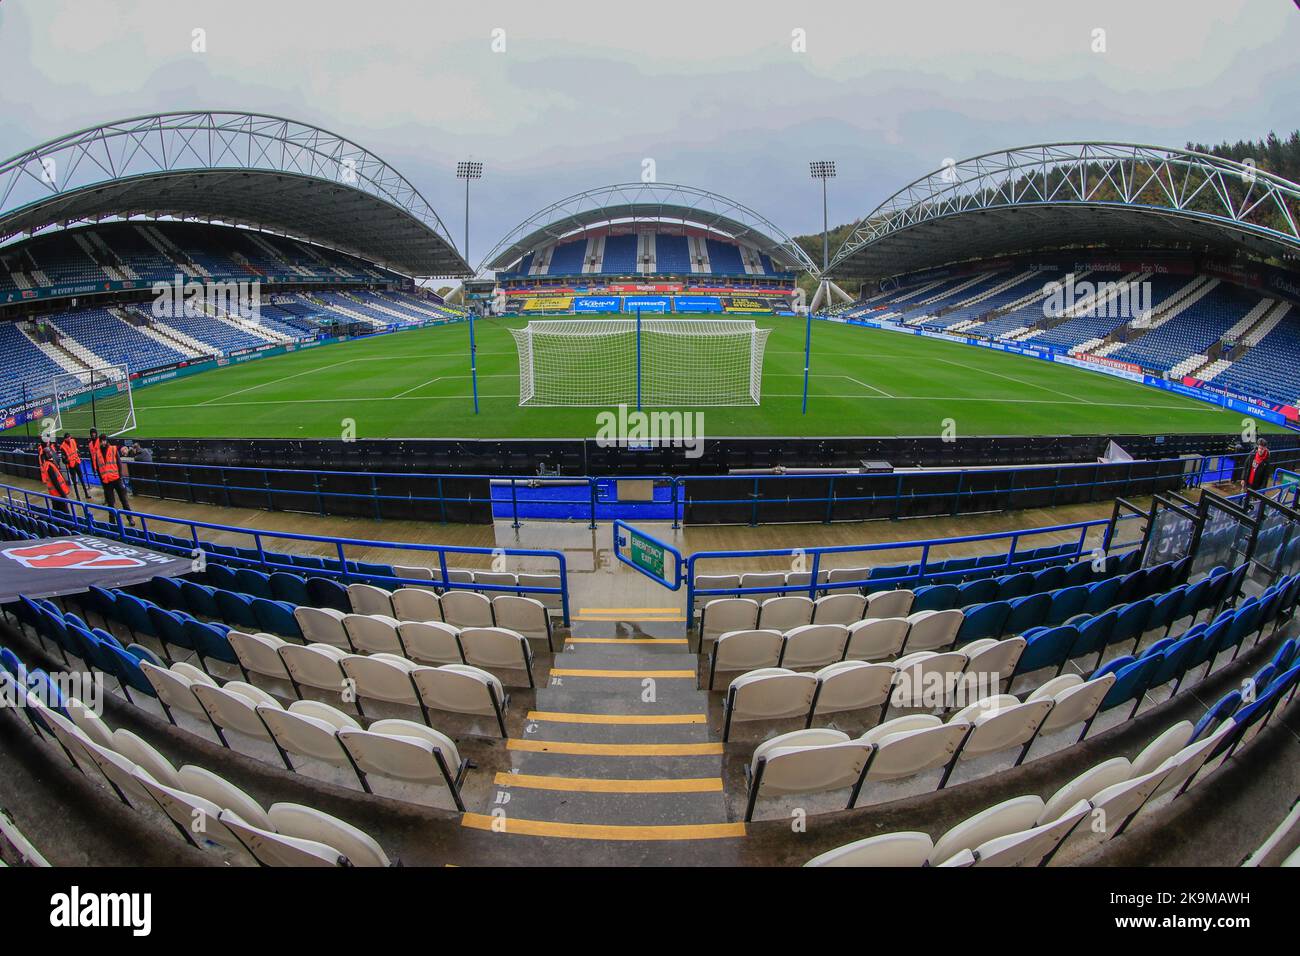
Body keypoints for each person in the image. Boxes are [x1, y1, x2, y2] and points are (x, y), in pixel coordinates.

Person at [97, 434, 135, 526]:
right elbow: (99, 468)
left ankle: (130, 518)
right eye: (101, 440)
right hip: (106, 481)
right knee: (110, 503)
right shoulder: (97, 453)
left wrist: (120, 477)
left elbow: (119, 463)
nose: (103, 442)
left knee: (124, 500)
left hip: (116, 479)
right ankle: (112, 521)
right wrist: (102, 480)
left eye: (104, 440)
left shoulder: (113, 449)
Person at [38, 442, 71, 515]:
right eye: (48, 452)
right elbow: (55, 482)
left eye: (50, 451)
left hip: (54, 495)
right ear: (46, 455)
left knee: (57, 513)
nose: (50, 453)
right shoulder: (49, 466)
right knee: (66, 514)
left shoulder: (49, 464)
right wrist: (63, 495)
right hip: (58, 495)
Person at [58, 432, 89, 500]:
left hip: (77, 462)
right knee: (74, 482)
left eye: (69, 437)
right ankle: (78, 497)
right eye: (67, 438)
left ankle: (86, 494)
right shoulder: (63, 447)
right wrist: (67, 461)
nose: (69, 438)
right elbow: (64, 459)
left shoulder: (73, 441)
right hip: (71, 466)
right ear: (65, 439)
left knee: (81, 478)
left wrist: (78, 454)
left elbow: (76, 449)